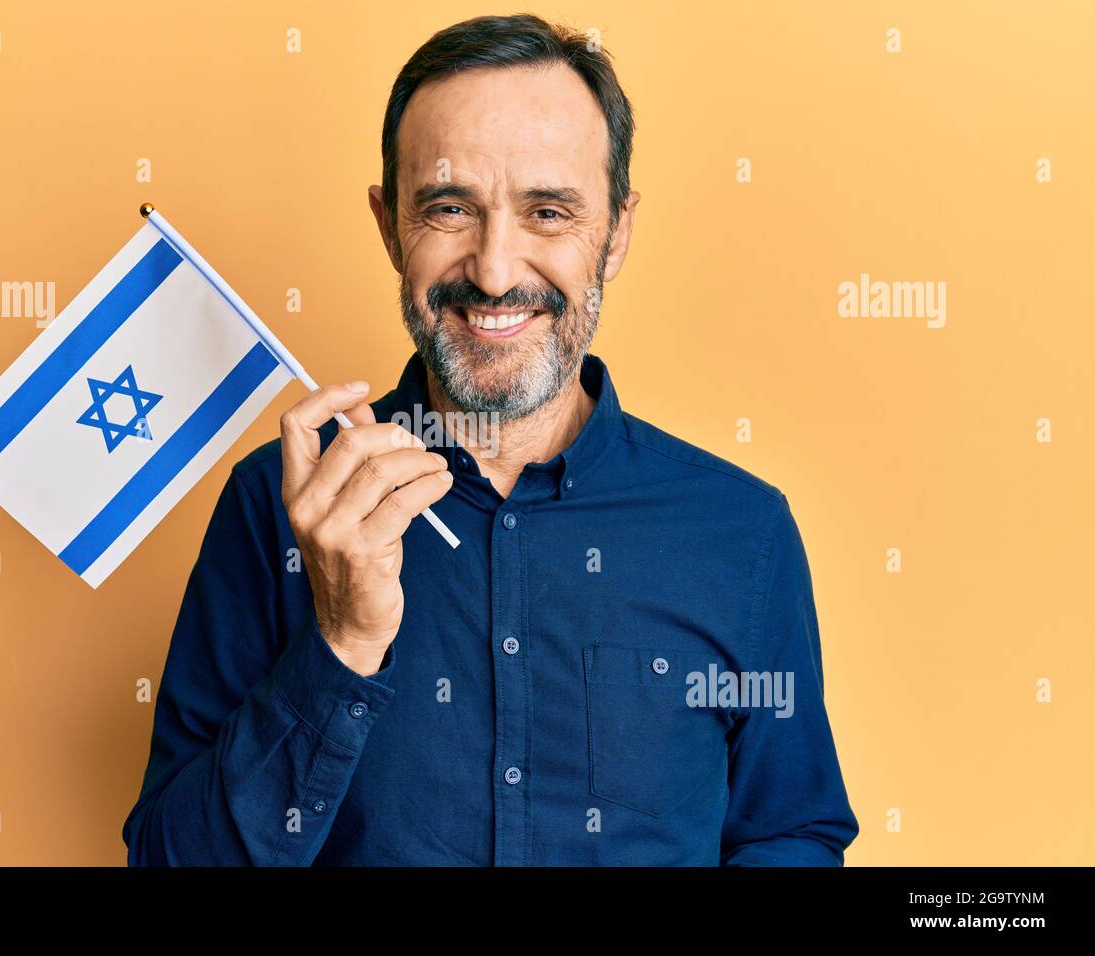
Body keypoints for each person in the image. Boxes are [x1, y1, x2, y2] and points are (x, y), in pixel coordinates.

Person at [123, 13, 859, 865]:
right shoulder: (281, 508)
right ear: (390, 225)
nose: (496, 269)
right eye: (447, 208)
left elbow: (789, 833)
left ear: (615, 232)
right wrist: (341, 646)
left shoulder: (743, 532)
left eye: (548, 211)